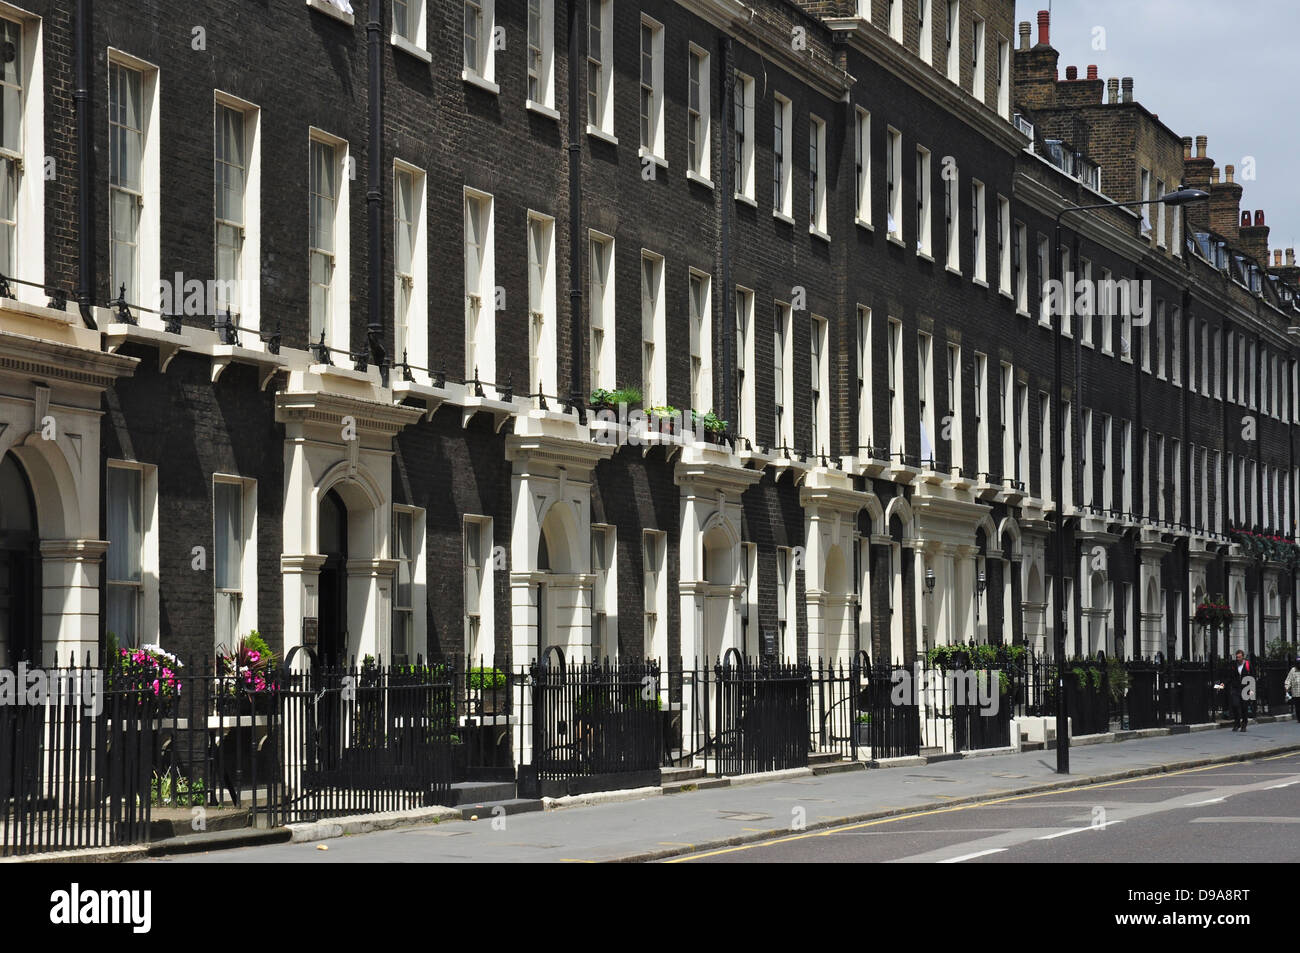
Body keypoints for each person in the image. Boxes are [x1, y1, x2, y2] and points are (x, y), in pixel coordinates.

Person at [1219, 650, 1252, 732]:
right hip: (1235, 688)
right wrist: (1223, 684)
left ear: (1243, 657)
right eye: (1237, 657)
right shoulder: (1233, 665)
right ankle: (1237, 723)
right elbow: (1229, 677)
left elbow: (1252, 677)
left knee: (1244, 707)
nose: (1238, 659)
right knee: (1235, 705)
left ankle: (1244, 724)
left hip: (1245, 688)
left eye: (1239, 657)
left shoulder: (1247, 665)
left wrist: (1251, 689)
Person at [1285, 656, 1300, 724]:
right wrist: (1287, 687)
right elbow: (1288, 679)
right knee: (1297, 707)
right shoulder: (1293, 670)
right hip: (1296, 693)